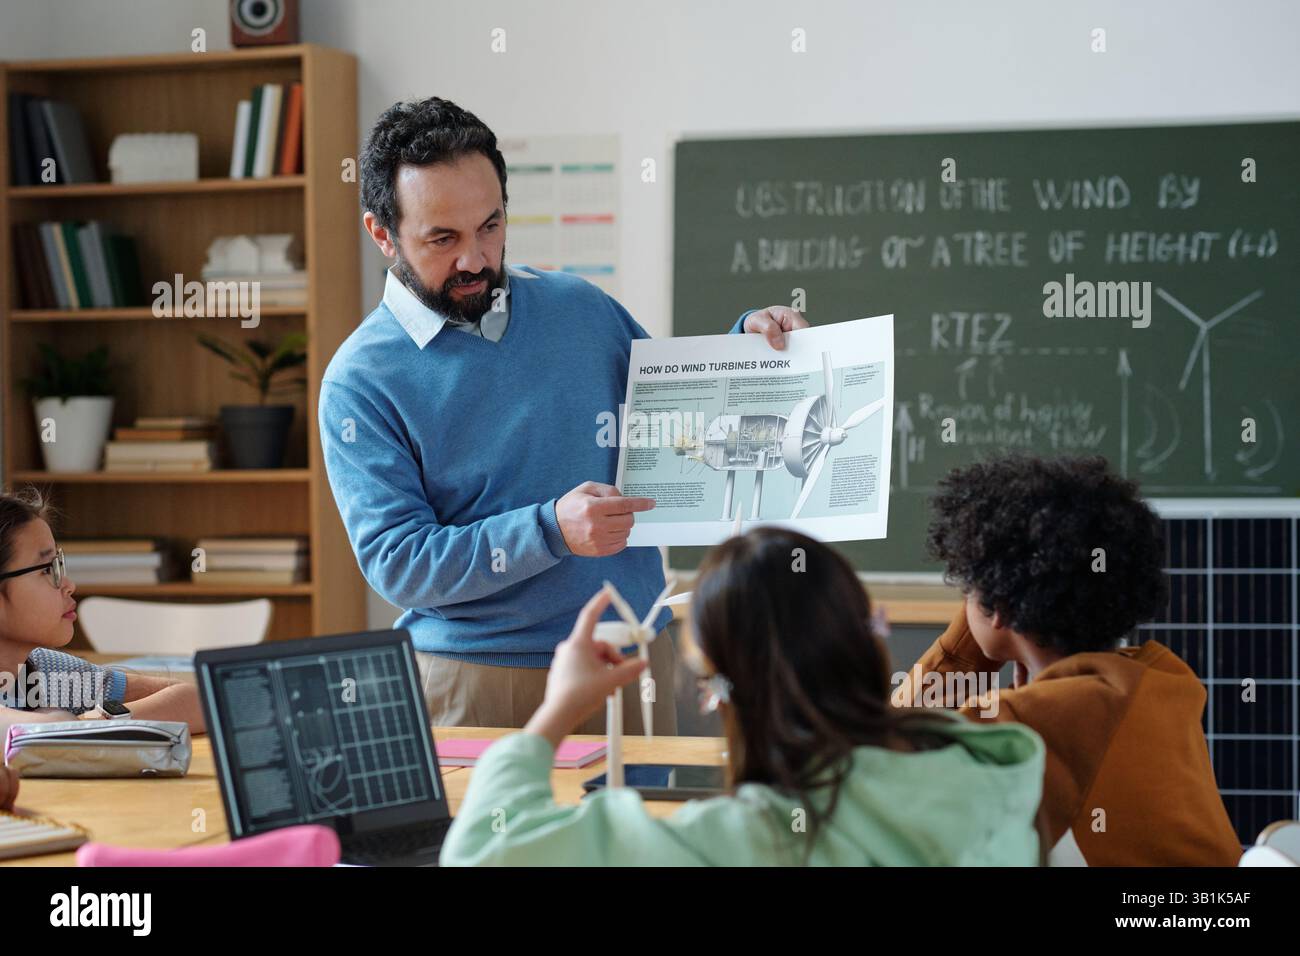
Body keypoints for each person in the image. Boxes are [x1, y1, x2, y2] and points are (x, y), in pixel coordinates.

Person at [320, 95, 806, 730]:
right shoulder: (360, 380)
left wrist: (746, 343)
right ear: (382, 234)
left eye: (490, 226)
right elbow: (400, 562)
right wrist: (549, 529)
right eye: (443, 238)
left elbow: (683, 417)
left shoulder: (579, 308)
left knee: (643, 832)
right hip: (475, 683)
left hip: (629, 660)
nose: (475, 260)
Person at [439, 527, 1045, 865]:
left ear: (716, 691)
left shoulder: (738, 842)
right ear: (867, 640)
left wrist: (557, 710)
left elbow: (484, 852)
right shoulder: (989, 774)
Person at [894, 454, 1242, 865]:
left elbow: (885, 760)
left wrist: (987, 611)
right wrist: (996, 602)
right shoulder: (1160, 676)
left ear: (999, 603)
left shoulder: (1026, 723)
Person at [0, 489, 205, 737]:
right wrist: (67, 726)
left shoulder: (46, 669)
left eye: (58, 564)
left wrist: (91, 720)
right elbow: (36, 731)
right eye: (46, 570)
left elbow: (196, 702)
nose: (69, 585)